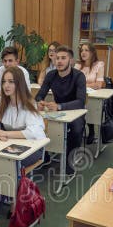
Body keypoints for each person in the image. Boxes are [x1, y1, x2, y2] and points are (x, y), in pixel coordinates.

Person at [0, 66, 46, 227]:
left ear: (19, 84)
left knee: (8, 169)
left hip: (33, 151)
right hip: (10, 149)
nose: (6, 85)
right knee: (6, 167)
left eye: (11, 82)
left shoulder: (29, 104)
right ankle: (13, 200)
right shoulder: (1, 102)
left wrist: (6, 134)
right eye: (4, 82)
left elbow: (35, 132)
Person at [35, 45, 87, 176]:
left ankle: (70, 160)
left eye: (63, 58)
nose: (59, 61)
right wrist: (40, 102)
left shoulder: (79, 76)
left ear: (70, 60)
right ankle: (44, 156)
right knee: (38, 124)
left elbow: (81, 101)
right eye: (57, 58)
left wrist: (60, 106)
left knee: (76, 129)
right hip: (57, 112)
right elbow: (40, 94)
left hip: (75, 112)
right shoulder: (51, 75)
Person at [74, 42, 105, 144]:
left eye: (86, 50)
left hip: (93, 96)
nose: (83, 52)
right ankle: (79, 129)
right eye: (82, 50)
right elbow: (73, 82)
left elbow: (99, 84)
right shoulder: (78, 65)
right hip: (79, 95)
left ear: (92, 53)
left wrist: (82, 85)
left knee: (91, 108)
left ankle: (91, 130)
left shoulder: (99, 65)